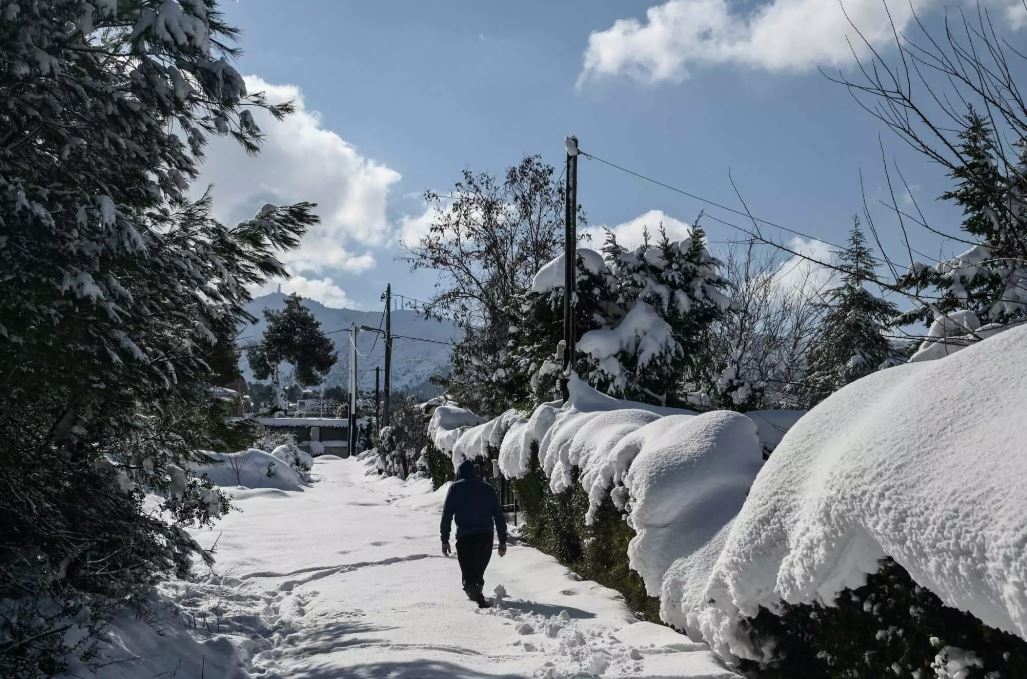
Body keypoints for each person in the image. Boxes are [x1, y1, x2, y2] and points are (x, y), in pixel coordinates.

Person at [440, 459, 508, 607]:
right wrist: (502, 540)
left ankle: (475, 592)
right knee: (477, 571)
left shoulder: (455, 489)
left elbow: (446, 515)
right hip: (486, 538)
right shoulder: (487, 489)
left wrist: (445, 539)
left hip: (465, 538)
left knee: (469, 573)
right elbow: (498, 516)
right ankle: (477, 589)